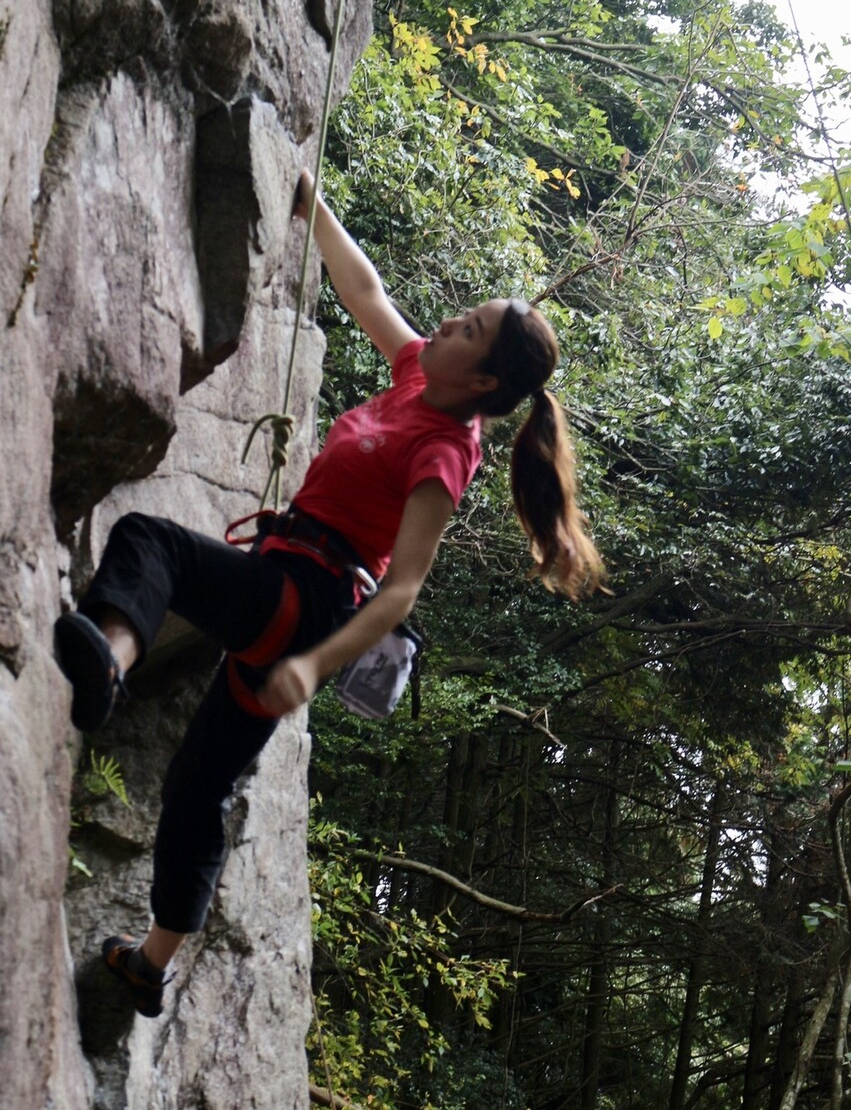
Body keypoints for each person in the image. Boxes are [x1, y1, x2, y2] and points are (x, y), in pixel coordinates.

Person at [56, 170, 603, 1017]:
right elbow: (365, 291)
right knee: (199, 783)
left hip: (305, 600)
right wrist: (313, 207)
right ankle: (150, 966)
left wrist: (314, 669)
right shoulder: (419, 372)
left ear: (484, 383)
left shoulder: (447, 450)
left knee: (151, 543)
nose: (448, 322)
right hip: (290, 596)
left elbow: (402, 589)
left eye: (469, 328)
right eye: (463, 315)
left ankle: (111, 661)